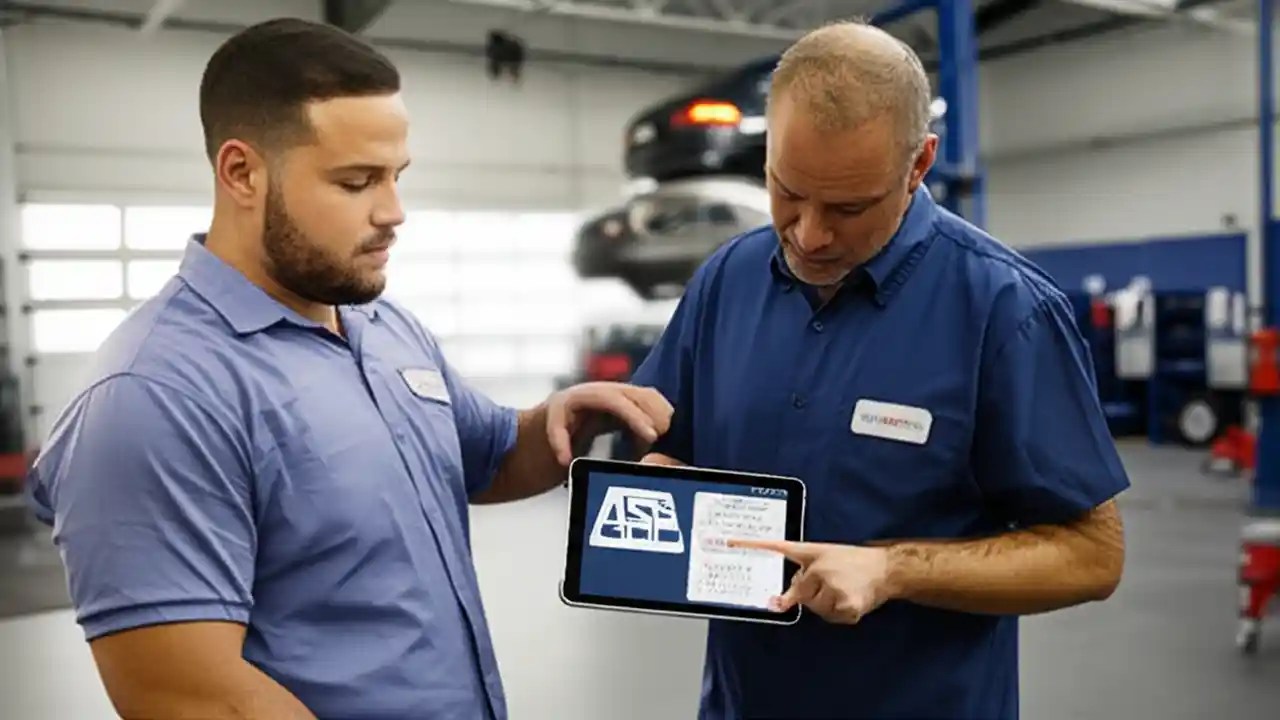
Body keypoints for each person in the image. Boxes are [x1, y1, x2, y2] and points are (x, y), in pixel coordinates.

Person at [24, 18, 671, 720]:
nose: (394, 212)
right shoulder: (154, 396)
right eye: (357, 181)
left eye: (396, 177)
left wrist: (560, 421)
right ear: (241, 172)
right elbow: (195, 698)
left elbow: (486, 455)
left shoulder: (380, 325)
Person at [630, 20, 1128, 720]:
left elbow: (1093, 554)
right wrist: (662, 480)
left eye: (848, 208)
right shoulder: (726, 281)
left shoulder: (1005, 312)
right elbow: (667, 439)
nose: (809, 234)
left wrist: (892, 571)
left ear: (918, 164)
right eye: (786, 191)